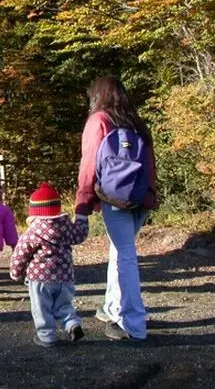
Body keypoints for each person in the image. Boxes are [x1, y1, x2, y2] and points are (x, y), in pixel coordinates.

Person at [75, 75, 158, 342]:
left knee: (125, 257)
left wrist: (82, 204)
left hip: (114, 199)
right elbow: (150, 162)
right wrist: (150, 194)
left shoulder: (99, 120)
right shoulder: (135, 121)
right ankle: (113, 307)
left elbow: (89, 164)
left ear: (97, 95)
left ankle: (132, 324)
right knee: (120, 251)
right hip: (139, 198)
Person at [10, 183, 89, 347]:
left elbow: (20, 253)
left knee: (41, 308)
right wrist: (81, 215)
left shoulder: (33, 232)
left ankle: (46, 336)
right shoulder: (66, 227)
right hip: (65, 277)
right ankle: (72, 324)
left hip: (40, 279)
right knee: (63, 305)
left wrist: (16, 272)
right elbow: (81, 234)